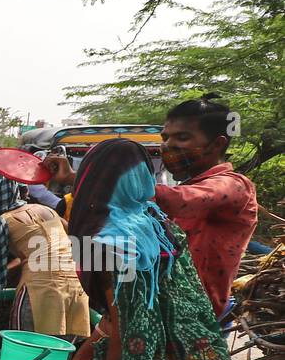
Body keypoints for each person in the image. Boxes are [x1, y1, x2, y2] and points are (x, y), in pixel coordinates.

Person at [56, 138, 232, 360]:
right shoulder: (155, 222)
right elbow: (129, 310)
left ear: (93, 179)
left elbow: (128, 328)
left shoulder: (110, 241)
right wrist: (86, 351)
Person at [46, 95, 257, 316]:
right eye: (165, 137)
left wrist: (98, 178)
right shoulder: (186, 186)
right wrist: (75, 177)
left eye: (182, 137)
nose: (168, 145)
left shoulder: (234, 186)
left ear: (217, 144)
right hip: (153, 303)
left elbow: (178, 200)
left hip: (191, 313)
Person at [0, 174, 90, 340]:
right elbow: (71, 242)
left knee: (23, 356)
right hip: (75, 290)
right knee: (60, 358)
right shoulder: (46, 210)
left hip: (37, 294)